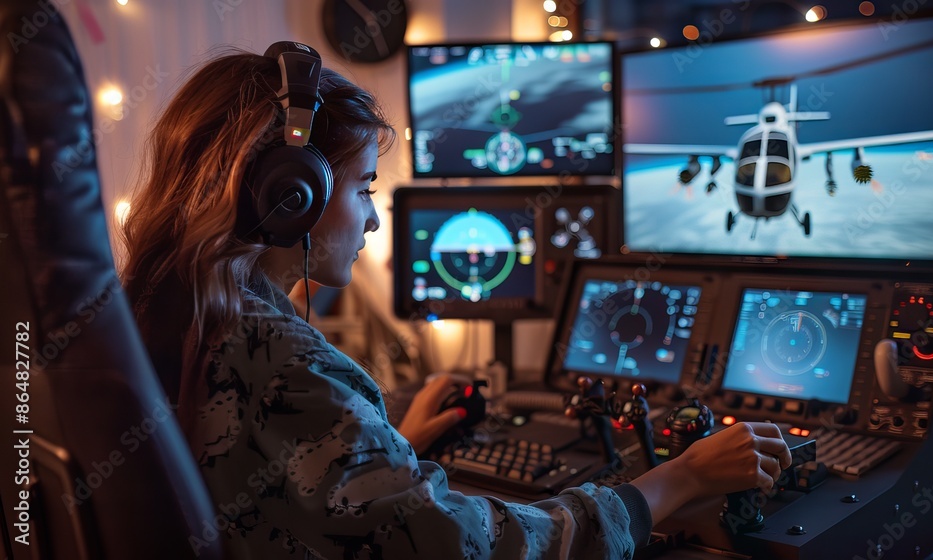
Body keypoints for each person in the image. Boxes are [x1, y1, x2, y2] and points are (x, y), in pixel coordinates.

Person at [121, 43, 791, 559]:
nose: (374, 221)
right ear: (292, 196)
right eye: (364, 189)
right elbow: (468, 547)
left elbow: (276, 477)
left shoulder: (164, 307)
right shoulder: (278, 356)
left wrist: (385, 452)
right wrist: (675, 483)